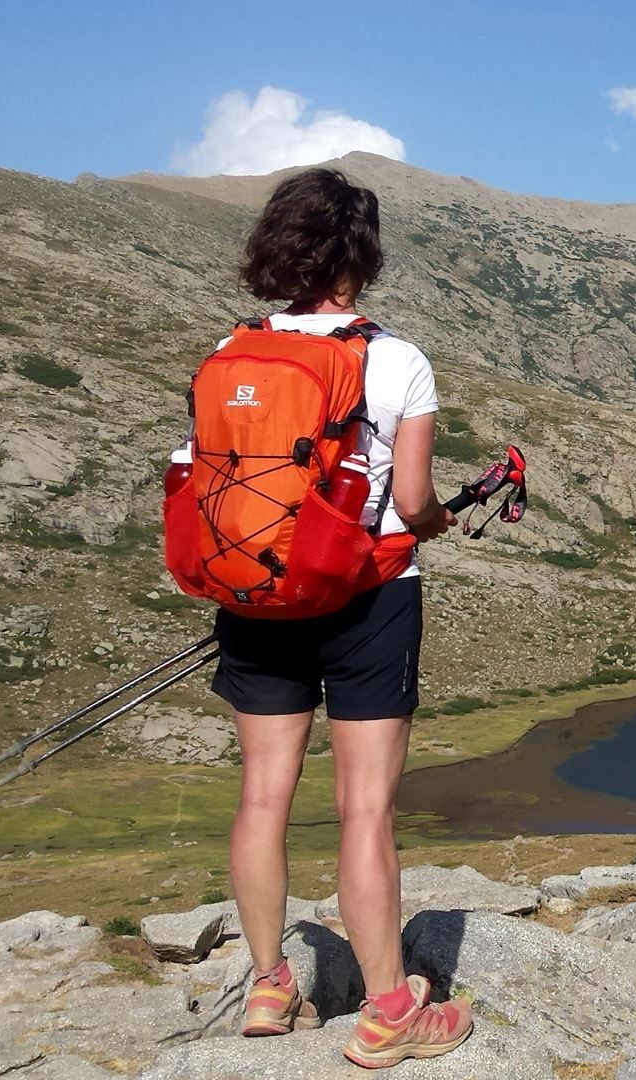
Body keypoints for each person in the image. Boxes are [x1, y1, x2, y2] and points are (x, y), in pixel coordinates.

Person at [177, 168, 472, 1069]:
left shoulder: (231, 354)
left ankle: (270, 984)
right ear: (364, 256)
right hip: (370, 596)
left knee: (263, 795)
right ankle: (391, 1011)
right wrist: (436, 521)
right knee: (363, 811)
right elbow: (413, 498)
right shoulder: (397, 359)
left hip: (256, 592)